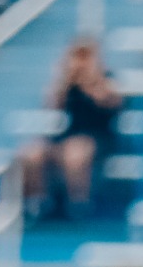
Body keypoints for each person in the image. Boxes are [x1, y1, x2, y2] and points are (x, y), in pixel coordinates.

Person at [26, 38, 120, 223]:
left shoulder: (108, 79)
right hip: (69, 135)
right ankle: (38, 204)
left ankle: (77, 205)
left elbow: (110, 102)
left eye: (85, 56)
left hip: (99, 137)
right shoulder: (67, 82)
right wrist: (62, 80)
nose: (80, 62)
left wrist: (90, 80)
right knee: (32, 153)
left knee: (75, 152)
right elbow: (52, 107)